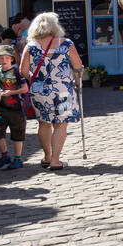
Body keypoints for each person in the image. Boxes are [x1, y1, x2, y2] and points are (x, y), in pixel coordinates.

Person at [20, 12, 83, 171]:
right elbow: (78, 66)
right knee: (61, 124)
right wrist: (76, 79)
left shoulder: (31, 46)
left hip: (39, 90)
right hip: (63, 90)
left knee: (44, 122)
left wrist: (35, 80)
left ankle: (47, 157)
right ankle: (56, 160)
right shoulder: (66, 44)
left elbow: (23, 70)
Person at [0, 44, 28, 170]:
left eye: (7, 57)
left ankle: (17, 159)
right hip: (1, 108)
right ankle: (4, 155)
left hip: (16, 109)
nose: (4, 60)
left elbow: (25, 89)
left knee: (17, 134)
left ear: (12, 59)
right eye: (1, 58)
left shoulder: (17, 72)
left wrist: (11, 92)